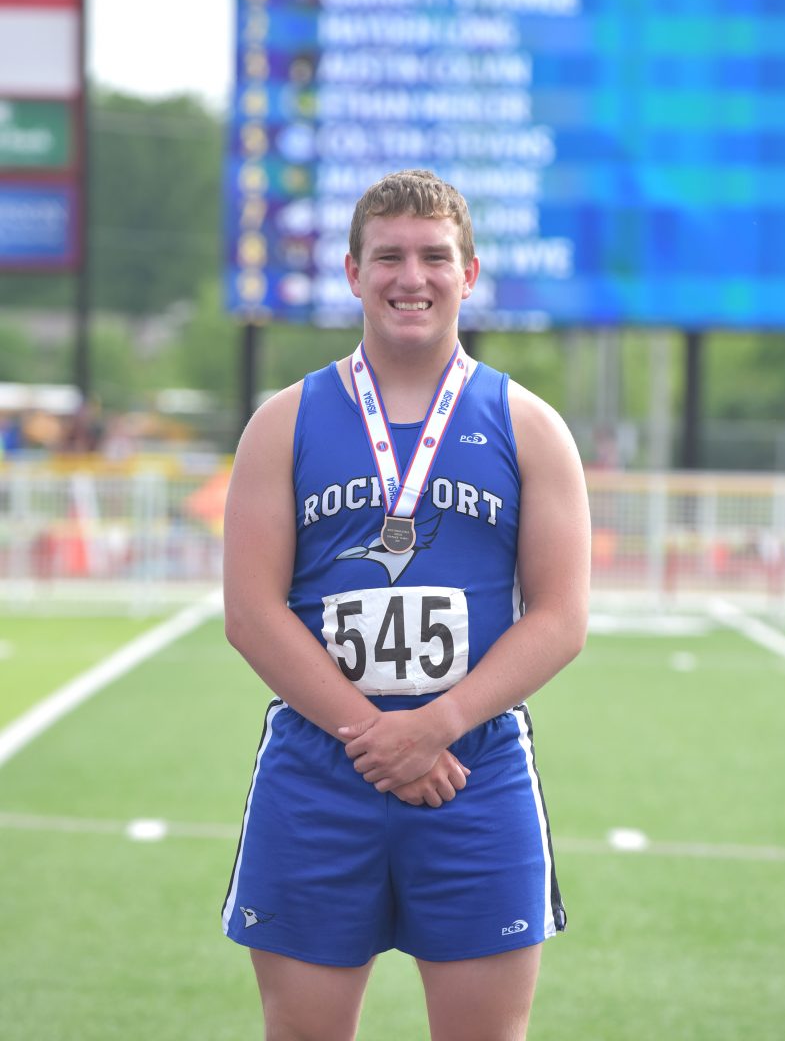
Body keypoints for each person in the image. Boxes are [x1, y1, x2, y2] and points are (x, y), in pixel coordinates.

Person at [221, 169, 591, 1041]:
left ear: (468, 275)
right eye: (387, 256)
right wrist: (375, 733)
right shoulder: (284, 421)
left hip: (474, 771)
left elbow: (560, 617)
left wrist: (436, 725)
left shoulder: (528, 424)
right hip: (317, 772)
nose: (409, 276)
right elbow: (251, 612)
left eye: (434, 257)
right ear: (352, 272)